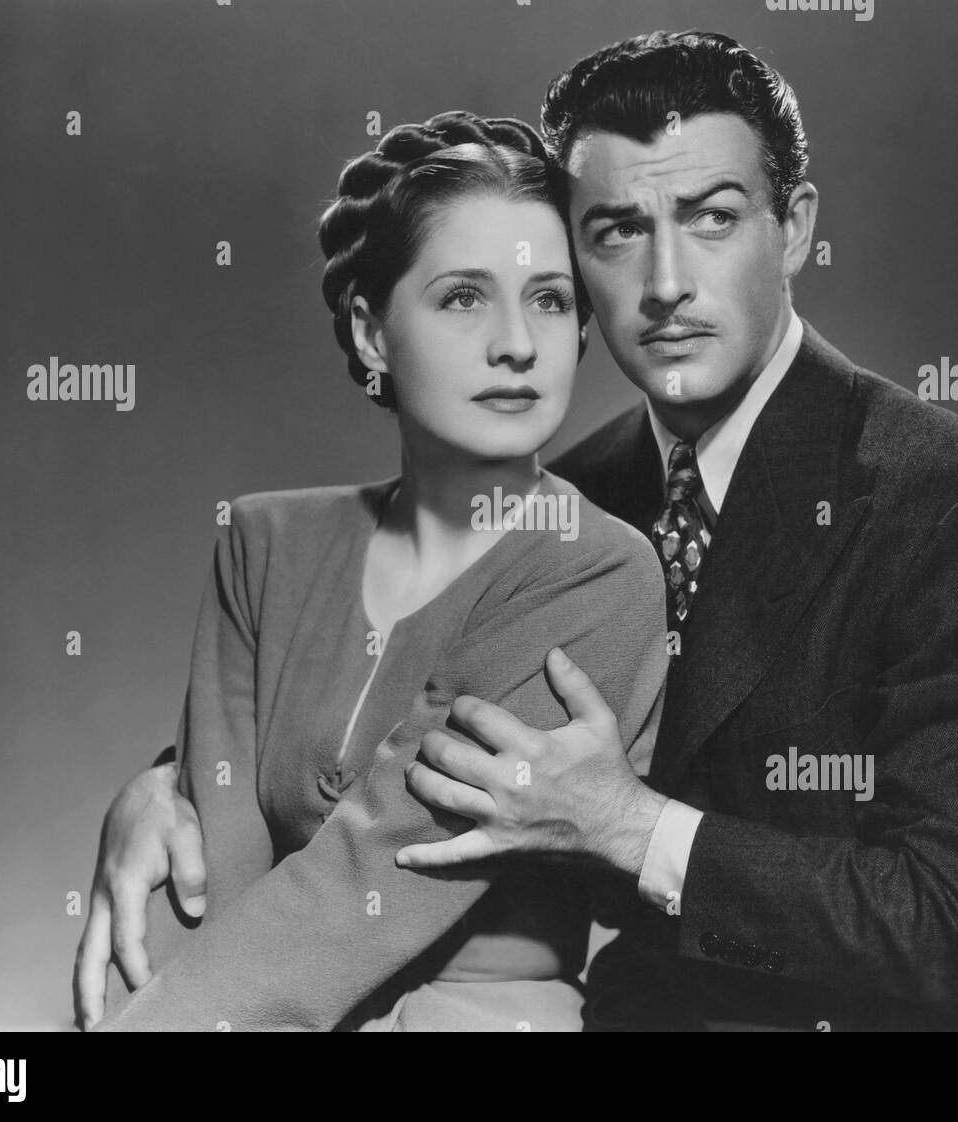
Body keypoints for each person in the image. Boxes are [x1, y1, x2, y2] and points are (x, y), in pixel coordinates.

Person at [82, 30, 958, 1032]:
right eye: (616, 230)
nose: (665, 283)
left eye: (710, 218)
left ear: (793, 227)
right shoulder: (566, 498)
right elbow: (375, 704)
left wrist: (631, 829)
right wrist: (166, 785)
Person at [74, 110, 668, 1031]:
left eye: (551, 298)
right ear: (372, 332)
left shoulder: (599, 575)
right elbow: (210, 868)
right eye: (464, 296)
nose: (518, 342)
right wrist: (158, 798)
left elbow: (375, 867)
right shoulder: (263, 545)